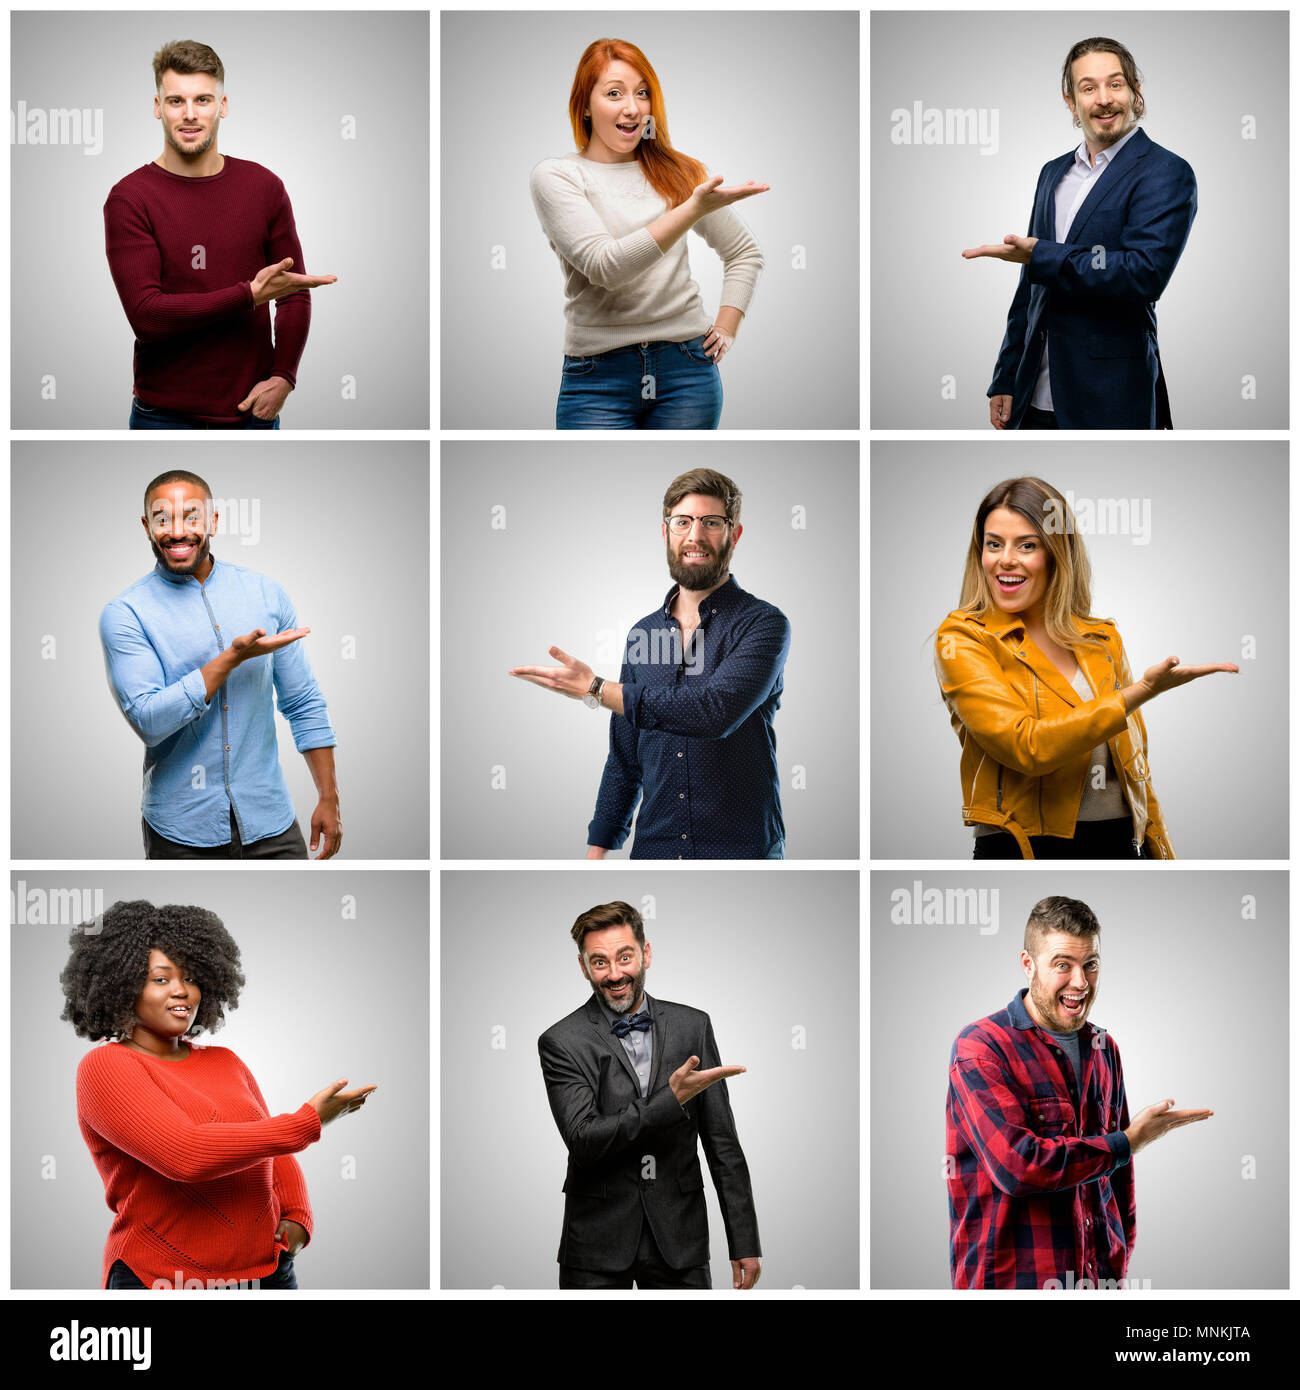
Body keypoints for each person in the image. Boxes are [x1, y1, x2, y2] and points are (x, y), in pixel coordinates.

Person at [61, 900, 376, 1289]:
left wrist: (297, 1215)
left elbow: (267, 1147)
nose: (182, 991)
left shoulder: (226, 1061)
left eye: (191, 978)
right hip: (161, 1278)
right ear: (122, 986)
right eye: (161, 979)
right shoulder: (105, 1067)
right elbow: (185, 1154)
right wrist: (307, 1122)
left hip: (268, 1272)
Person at [934, 476, 1236, 859]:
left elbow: (1134, 767)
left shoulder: (1101, 638)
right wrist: (1142, 691)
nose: (1005, 559)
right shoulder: (962, 638)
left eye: (1027, 545)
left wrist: (1162, 854)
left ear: (1057, 553)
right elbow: (1028, 747)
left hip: (1125, 843)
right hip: (1024, 846)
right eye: (994, 544)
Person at [509, 467, 790, 858]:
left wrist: (596, 689)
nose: (695, 536)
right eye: (682, 522)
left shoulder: (763, 624)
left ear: (734, 535)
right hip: (655, 850)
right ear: (665, 533)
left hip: (742, 851)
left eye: (711, 522)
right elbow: (625, 757)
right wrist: (597, 851)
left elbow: (716, 712)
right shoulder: (643, 634)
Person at [947, 895, 1212, 1289]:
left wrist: (1117, 1265)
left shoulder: (1105, 1048)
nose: (1080, 982)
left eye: (1091, 965)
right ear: (1028, 964)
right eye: (1062, 965)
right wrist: (1127, 1142)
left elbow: (1119, 1181)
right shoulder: (981, 1048)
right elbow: (1018, 1167)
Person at [99, 469, 342, 859]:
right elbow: (149, 721)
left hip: (271, 823)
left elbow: (303, 702)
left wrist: (328, 797)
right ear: (147, 527)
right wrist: (230, 659)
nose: (178, 532)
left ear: (213, 520)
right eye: (163, 519)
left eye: (192, 517)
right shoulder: (126, 614)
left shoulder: (266, 593)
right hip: (180, 833)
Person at [529, 38, 768, 429]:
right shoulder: (557, 176)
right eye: (614, 93)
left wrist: (726, 327)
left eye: (643, 93)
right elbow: (608, 267)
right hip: (597, 378)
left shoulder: (679, 174)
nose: (632, 107)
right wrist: (692, 208)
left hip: (687, 373)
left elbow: (744, 253)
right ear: (585, 105)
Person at [963, 37, 1196, 429]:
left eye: (1116, 84)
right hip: (1032, 393)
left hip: (1110, 396)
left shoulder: (1165, 172)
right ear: (1071, 102)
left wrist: (1042, 255)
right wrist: (1005, 374)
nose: (1104, 98)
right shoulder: (1052, 173)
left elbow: (1143, 273)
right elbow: (1031, 283)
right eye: (1088, 88)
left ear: (1136, 92)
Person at [104, 40, 337, 429]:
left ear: (223, 106)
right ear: (158, 107)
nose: (190, 114)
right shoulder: (130, 198)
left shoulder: (264, 186)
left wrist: (284, 377)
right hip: (162, 417)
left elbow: (294, 291)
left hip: (254, 414)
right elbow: (146, 315)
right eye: (176, 101)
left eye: (203, 100)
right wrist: (247, 296)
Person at [537, 902, 761, 1289]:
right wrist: (668, 1100)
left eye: (625, 957)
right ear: (584, 967)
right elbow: (584, 1140)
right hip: (596, 1243)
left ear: (646, 953)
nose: (615, 974)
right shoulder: (561, 1041)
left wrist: (743, 1240)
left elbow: (722, 1143)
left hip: (681, 1238)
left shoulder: (694, 1026)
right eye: (600, 962)